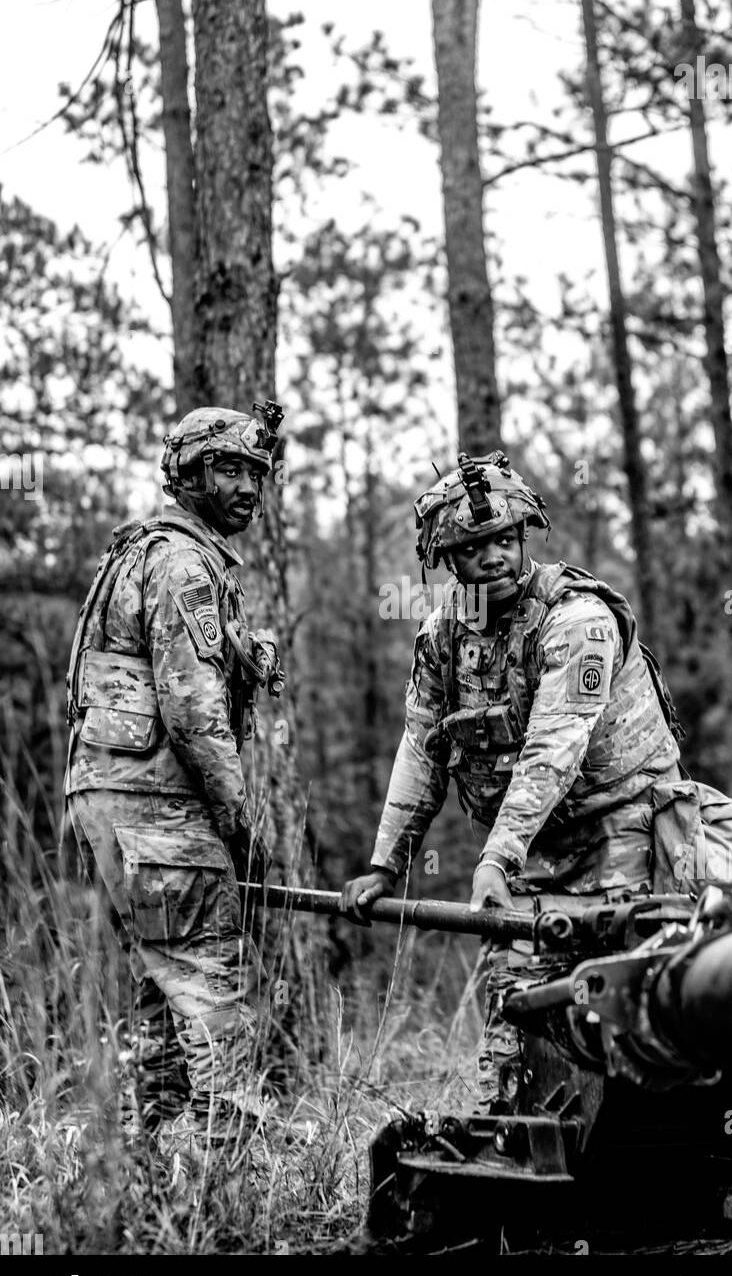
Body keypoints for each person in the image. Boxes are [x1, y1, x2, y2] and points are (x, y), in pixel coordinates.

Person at [339, 450, 690, 1113]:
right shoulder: (443, 633)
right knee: (517, 1018)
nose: (495, 557)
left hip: (626, 842)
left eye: (505, 539)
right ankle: (520, 1167)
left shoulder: (578, 619)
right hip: (534, 856)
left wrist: (495, 857)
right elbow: (421, 746)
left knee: (626, 1011)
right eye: (474, 547)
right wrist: (387, 864)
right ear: (447, 558)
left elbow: (556, 747)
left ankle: (652, 1166)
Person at [65, 403, 286, 1146]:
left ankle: (149, 1184)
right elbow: (192, 708)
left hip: (111, 805)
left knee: (159, 997)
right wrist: (238, 815)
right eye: (229, 470)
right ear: (186, 475)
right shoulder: (183, 563)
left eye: (257, 473)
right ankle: (233, 1192)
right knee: (210, 993)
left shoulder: (140, 552)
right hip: (156, 806)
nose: (248, 488)